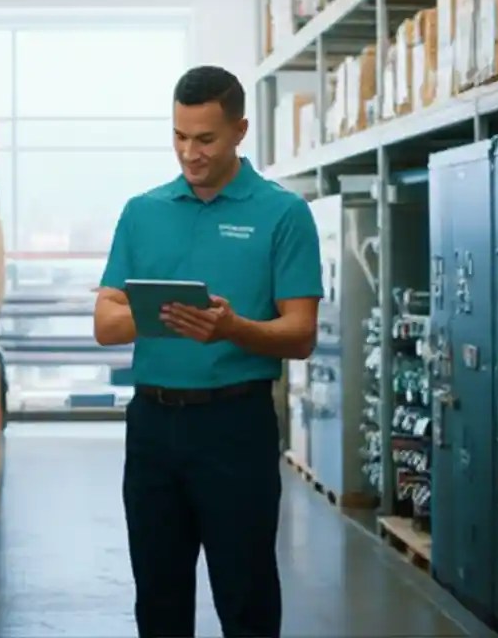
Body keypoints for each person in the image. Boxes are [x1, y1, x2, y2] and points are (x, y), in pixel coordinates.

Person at [93, 65, 322, 638]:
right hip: (151, 427)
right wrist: (163, 318)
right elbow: (104, 322)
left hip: (235, 427)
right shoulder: (141, 212)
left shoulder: (283, 214)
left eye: (205, 139)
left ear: (240, 130)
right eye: (179, 136)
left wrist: (232, 329)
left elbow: (300, 334)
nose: (189, 153)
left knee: (245, 597)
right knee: (159, 596)